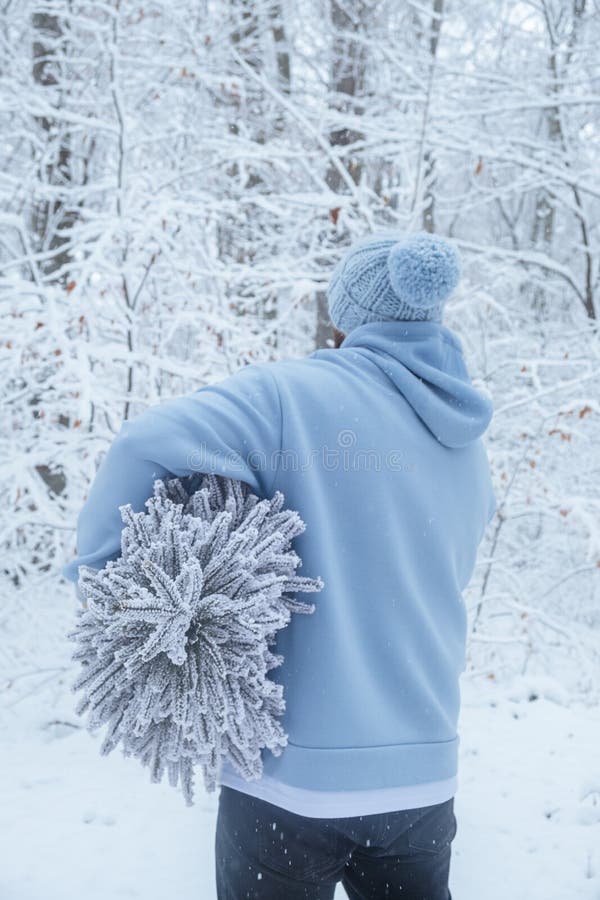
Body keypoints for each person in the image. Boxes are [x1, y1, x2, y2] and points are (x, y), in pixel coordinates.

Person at [63, 231, 496, 900]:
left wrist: (104, 580)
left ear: (347, 314)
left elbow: (143, 443)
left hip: (292, 788)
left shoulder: (288, 397)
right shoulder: (465, 440)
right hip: (424, 782)